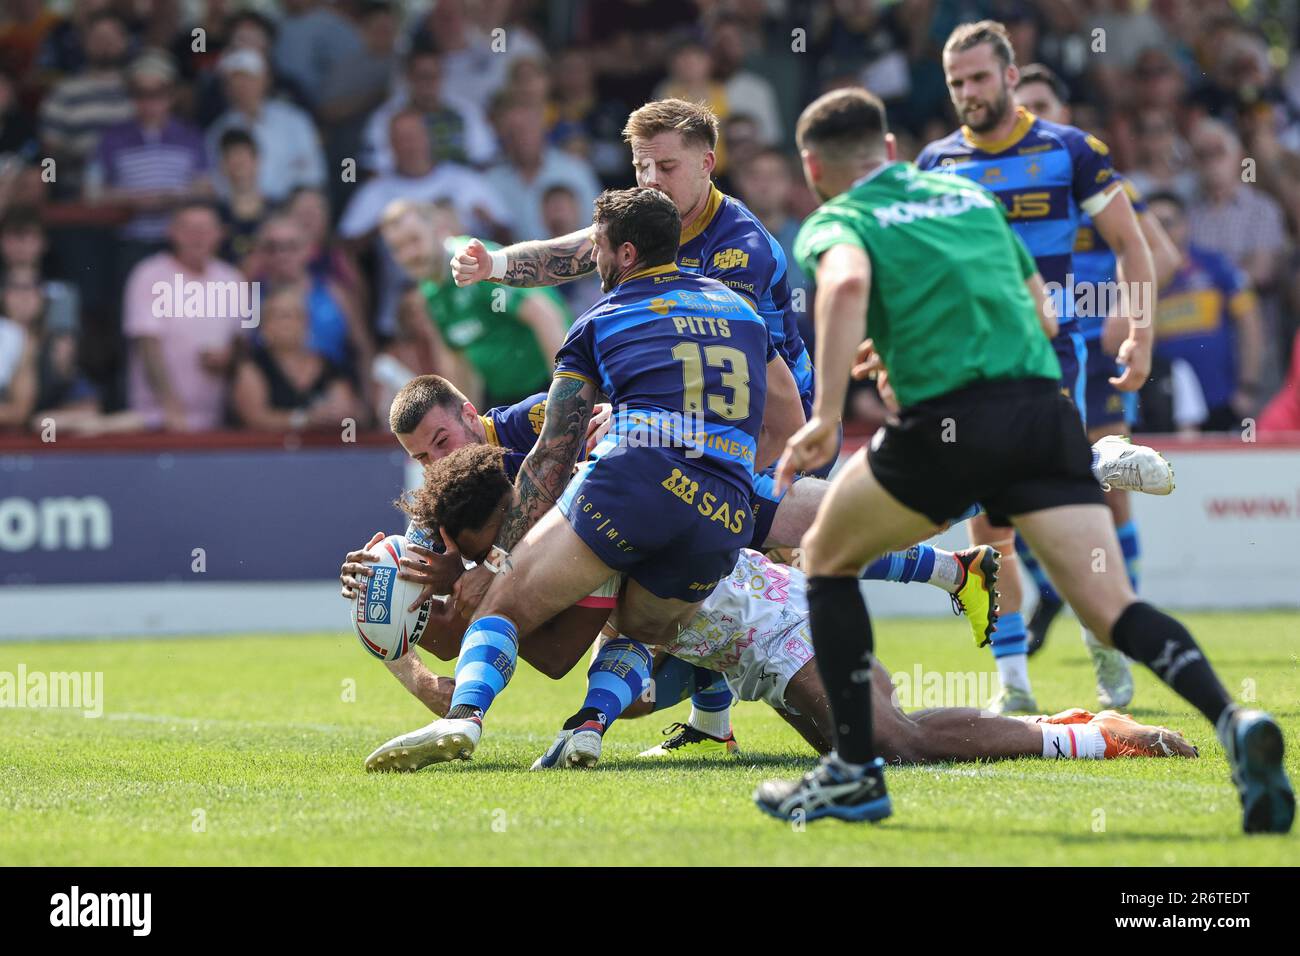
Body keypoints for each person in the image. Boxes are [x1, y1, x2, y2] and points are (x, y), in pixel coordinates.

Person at [753, 86, 1292, 835]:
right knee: (1114, 607)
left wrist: (829, 417)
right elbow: (1042, 311)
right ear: (889, 150)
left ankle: (854, 773)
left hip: (946, 423)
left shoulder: (840, 217)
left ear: (813, 166)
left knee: (824, 556)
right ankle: (1234, 720)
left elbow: (844, 284)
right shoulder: (965, 200)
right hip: (1043, 412)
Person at [367, 443, 1197, 772]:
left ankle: (1095, 737)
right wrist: (405, 609)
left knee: (888, 742)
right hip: (731, 638)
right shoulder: (541, 521)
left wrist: (438, 613)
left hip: (770, 614)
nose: (482, 564)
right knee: (869, 737)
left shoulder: (582, 527)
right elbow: (489, 628)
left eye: (478, 548)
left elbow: (545, 653)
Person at [359, 187, 805, 771]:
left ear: (622, 253)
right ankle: (610, 726)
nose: (589, 259)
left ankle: (465, 717)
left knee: (509, 609)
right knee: (660, 620)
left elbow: (551, 455)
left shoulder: (597, 325)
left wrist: (492, 564)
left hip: (631, 487)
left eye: (594, 246)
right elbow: (788, 418)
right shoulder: (739, 311)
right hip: (719, 503)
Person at [916, 20, 1168, 714]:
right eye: (956, 82)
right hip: (965, 366)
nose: (968, 92)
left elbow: (1132, 244)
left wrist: (1140, 333)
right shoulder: (936, 164)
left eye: (979, 78)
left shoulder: (1069, 151)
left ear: (1009, 75)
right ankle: (1013, 682)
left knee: (1061, 518)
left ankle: (1105, 645)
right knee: (990, 529)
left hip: (1046, 356)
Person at [1012, 64, 1183, 701]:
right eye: (1021, 104)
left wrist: (1123, 310)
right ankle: (1059, 589)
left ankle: (1120, 624)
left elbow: (1158, 253)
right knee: (1023, 492)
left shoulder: (1086, 172)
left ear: (1059, 111)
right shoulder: (995, 179)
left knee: (1110, 492)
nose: (1029, 114)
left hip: (1090, 355)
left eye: (1040, 104)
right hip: (1025, 353)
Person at [380, 200, 572, 408]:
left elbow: (546, 317)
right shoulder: (430, 291)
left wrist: (566, 398)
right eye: (398, 248)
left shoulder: (475, 264)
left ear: (438, 230)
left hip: (549, 386)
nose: (409, 255)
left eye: (414, 240)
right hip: (508, 400)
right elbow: (457, 361)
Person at [122, 202, 248, 431]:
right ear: (171, 232)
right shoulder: (148, 274)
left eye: (205, 229)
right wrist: (170, 406)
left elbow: (244, 342)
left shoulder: (234, 278)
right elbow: (148, 344)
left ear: (220, 233)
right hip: (157, 418)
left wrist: (229, 357)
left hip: (215, 420)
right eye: (188, 229)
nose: (197, 237)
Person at [1146, 192, 1265, 432]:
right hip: (1161, 404)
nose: (1161, 232)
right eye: (1152, 225)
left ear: (1185, 225)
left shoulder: (1215, 265)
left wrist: (1247, 388)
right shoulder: (1136, 276)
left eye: (1168, 223)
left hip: (1220, 399)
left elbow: (1250, 322)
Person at [231, 287, 364, 432]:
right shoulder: (253, 367)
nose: (290, 323)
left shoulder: (328, 365)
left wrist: (344, 412)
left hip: (325, 451)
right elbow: (254, 418)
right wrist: (304, 419)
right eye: (282, 315)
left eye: (297, 315)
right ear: (265, 326)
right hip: (268, 453)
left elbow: (353, 412)